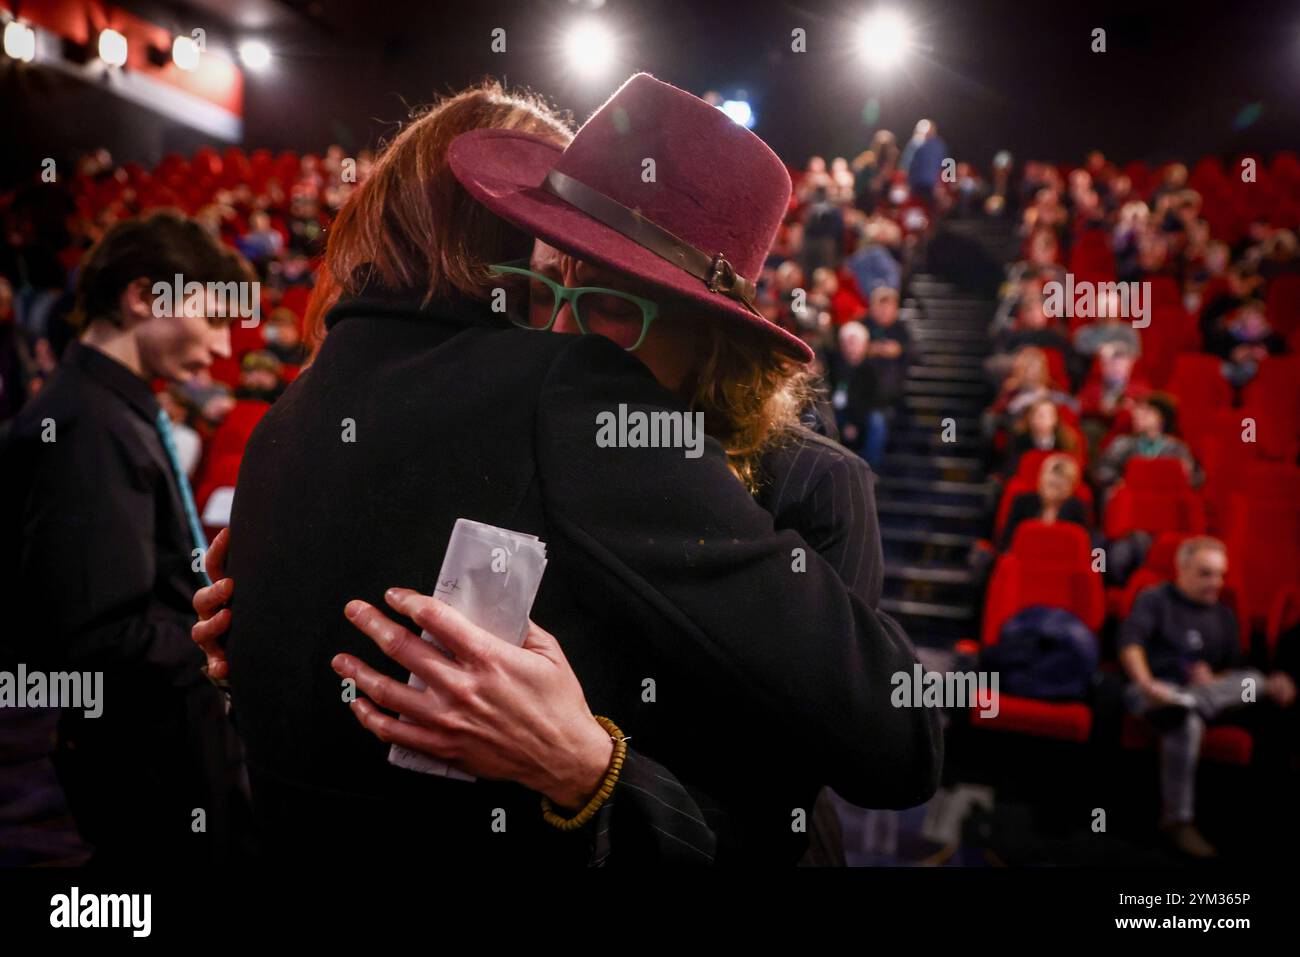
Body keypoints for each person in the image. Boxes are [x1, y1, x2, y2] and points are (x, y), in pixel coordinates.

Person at [205, 75, 939, 868]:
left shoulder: (814, 479)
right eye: (546, 288)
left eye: (613, 304)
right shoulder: (550, 418)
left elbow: (841, 770)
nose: (559, 330)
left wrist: (592, 770)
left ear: (714, 340)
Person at [0, 210, 253, 864]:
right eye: (215, 317)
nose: (224, 348)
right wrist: (226, 631)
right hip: (147, 765)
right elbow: (101, 637)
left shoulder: (113, 405)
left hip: (162, 750)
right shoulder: (85, 427)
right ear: (144, 297)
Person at [1119, 537, 1296, 858]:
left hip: (1200, 696)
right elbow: (1131, 643)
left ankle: (1186, 704)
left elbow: (1231, 674)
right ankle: (1177, 822)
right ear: (1181, 569)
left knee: (1253, 681)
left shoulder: (1224, 615)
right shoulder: (1155, 599)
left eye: (1220, 575)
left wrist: (1212, 679)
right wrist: (1147, 683)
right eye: (1206, 574)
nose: (1216, 583)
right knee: (1186, 723)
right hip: (1154, 691)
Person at [1093, 393, 1202, 494]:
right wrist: (1120, 483)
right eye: (1138, 411)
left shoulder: (1176, 448)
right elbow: (1103, 470)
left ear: (1162, 418)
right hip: (1131, 498)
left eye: (1147, 411)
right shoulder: (1123, 443)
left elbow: (1192, 478)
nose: (1138, 415)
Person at [998, 453, 1090, 550]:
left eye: (1064, 479)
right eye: (1051, 482)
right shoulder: (1022, 502)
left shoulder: (1076, 509)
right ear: (1040, 479)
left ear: (1073, 487)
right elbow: (1006, 543)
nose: (1056, 480)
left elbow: (1080, 549)